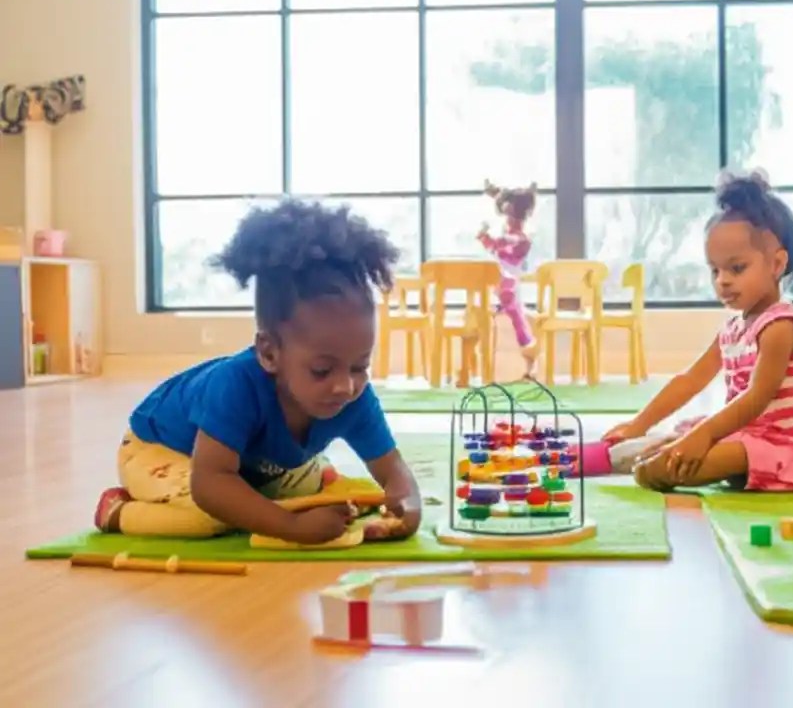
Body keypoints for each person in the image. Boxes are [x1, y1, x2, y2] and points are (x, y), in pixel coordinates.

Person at [93, 200, 422, 544]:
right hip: (161, 450)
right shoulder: (234, 385)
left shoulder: (355, 395)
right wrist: (290, 527)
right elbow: (210, 483)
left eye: (360, 366)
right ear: (269, 353)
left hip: (252, 465)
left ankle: (311, 479)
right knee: (212, 517)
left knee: (359, 495)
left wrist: (407, 509)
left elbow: (394, 471)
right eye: (322, 370)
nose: (345, 385)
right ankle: (118, 511)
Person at [602, 170, 793, 491]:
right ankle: (665, 450)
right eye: (715, 270)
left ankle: (677, 457)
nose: (722, 281)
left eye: (736, 268)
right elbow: (691, 379)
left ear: (777, 264)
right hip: (746, 438)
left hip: (786, 449)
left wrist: (704, 436)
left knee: (664, 468)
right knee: (661, 452)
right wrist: (638, 424)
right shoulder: (733, 328)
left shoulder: (780, 327)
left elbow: (756, 398)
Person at [477, 180, 540, 379]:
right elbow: (496, 246)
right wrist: (485, 238)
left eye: (511, 214)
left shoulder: (521, 239)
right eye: (507, 214)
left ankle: (530, 359)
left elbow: (506, 246)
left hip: (508, 289)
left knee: (518, 318)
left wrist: (489, 239)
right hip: (497, 288)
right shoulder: (511, 237)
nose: (508, 219)